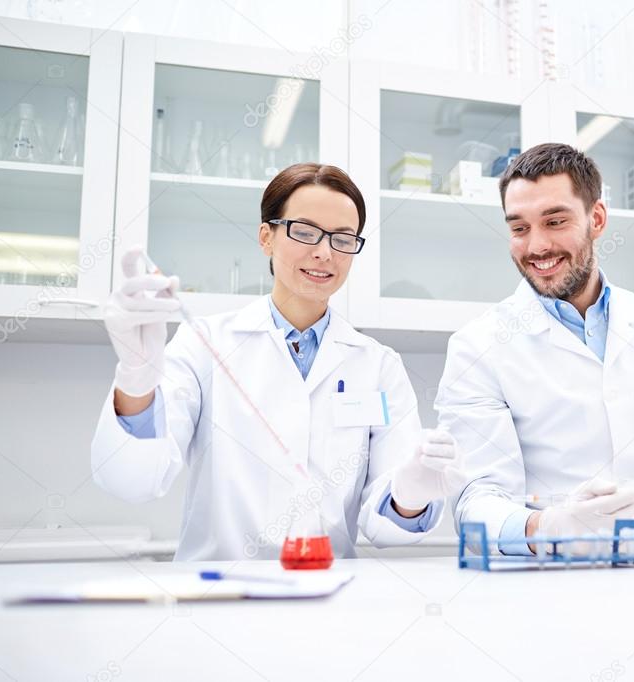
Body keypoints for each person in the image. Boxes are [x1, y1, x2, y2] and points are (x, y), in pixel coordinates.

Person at [91, 163, 465, 561]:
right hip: (219, 598)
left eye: (342, 238)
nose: (324, 252)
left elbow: (388, 530)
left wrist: (410, 494)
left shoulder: (378, 365)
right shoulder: (205, 343)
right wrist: (136, 380)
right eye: (304, 232)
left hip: (330, 598)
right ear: (266, 237)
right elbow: (132, 481)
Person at [436, 143, 634, 553]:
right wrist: (546, 528)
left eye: (555, 221)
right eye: (519, 228)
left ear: (597, 218)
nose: (536, 246)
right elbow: (475, 497)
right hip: (548, 577)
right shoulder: (477, 346)